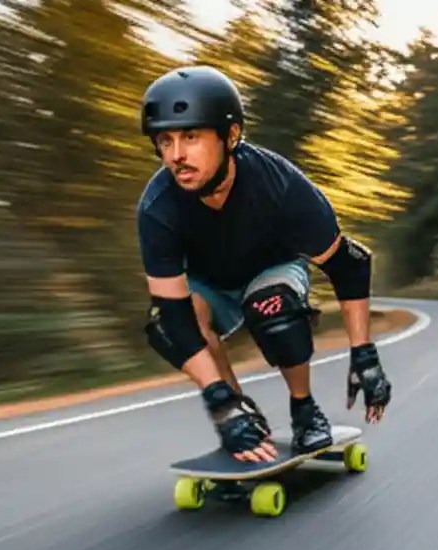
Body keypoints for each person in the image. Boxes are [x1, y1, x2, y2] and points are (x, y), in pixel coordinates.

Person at [136, 65, 392, 463]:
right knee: (170, 324)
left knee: (273, 308)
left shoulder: (281, 185)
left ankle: (304, 409)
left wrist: (365, 356)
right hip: (211, 284)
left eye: (191, 137)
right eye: (165, 141)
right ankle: (242, 416)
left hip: (273, 269)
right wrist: (221, 404)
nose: (176, 155)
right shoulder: (158, 208)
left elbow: (350, 265)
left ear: (231, 135)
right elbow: (171, 315)